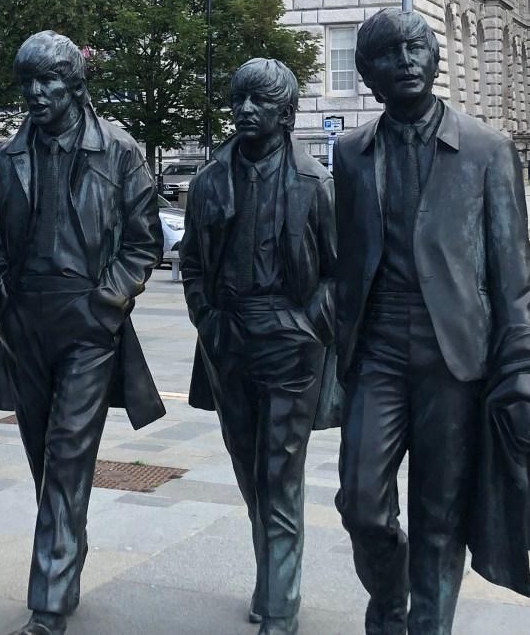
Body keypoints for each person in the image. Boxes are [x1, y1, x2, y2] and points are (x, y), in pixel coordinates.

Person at [331, 9, 530, 634]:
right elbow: (348, 263)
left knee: (439, 514)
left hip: (457, 356)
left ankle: (429, 626)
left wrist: (518, 361)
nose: (407, 61)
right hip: (378, 351)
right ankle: (389, 599)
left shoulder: (486, 150)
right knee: (362, 505)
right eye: (391, 54)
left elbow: (512, 277)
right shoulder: (350, 153)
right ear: (369, 73)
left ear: (435, 57)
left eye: (418, 48)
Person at [0, 31, 166, 635]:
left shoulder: (118, 151)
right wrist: (2, 294)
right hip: (26, 324)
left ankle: (49, 602)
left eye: (49, 81)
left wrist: (107, 300)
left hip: (88, 324)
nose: (36, 93)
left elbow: (144, 242)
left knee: (66, 456)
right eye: (29, 82)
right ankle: (66, 557)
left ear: (75, 84)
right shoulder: (9, 156)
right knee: (44, 459)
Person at [179, 59, 337, 635]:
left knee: (279, 472)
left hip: (291, 342)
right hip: (228, 339)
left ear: (287, 115)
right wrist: (207, 319)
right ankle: (272, 572)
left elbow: (339, 275)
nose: (245, 110)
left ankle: (279, 605)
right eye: (239, 99)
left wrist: (308, 324)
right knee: (249, 470)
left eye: (260, 102)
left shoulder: (316, 184)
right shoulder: (207, 183)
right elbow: (191, 263)